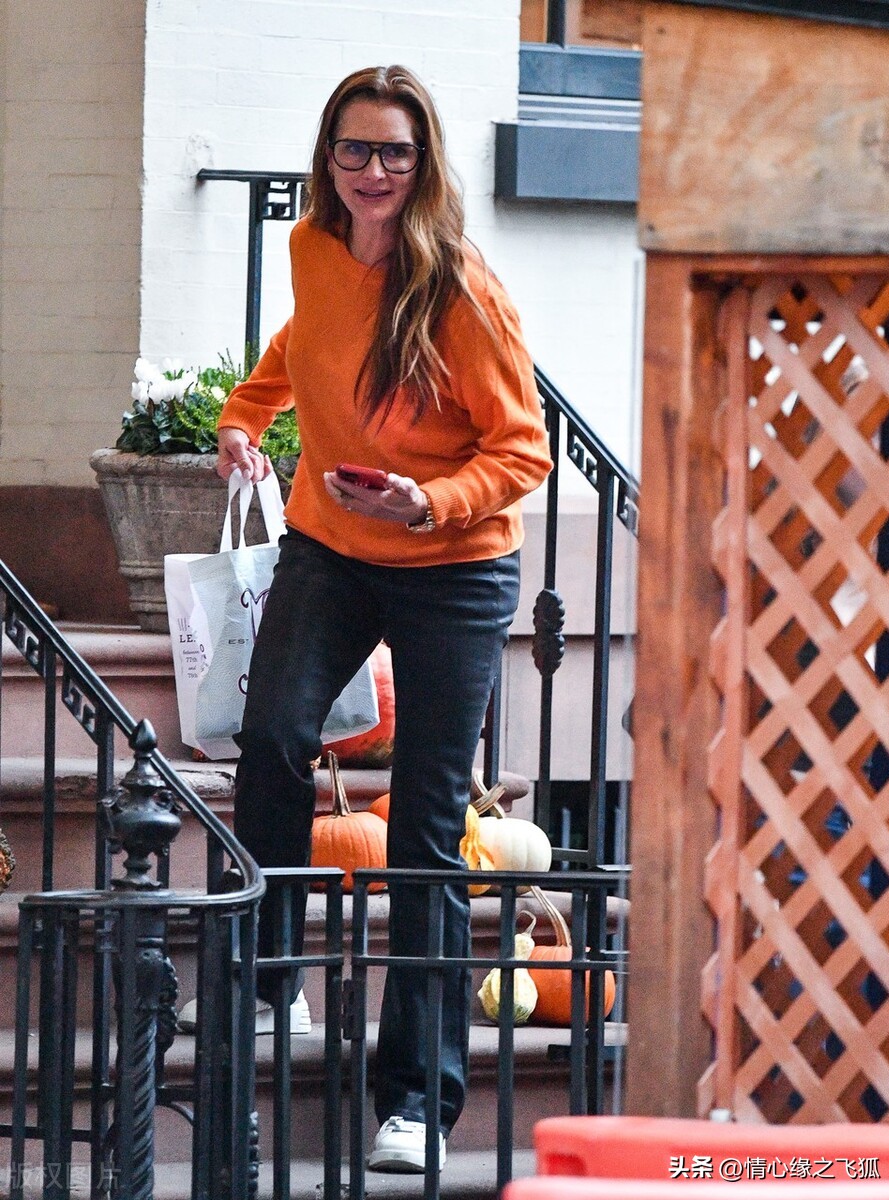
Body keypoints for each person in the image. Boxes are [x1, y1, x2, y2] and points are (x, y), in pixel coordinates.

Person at [216, 64, 553, 1173]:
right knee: (268, 735)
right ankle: (272, 983)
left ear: (423, 164)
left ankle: (414, 1099)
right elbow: (296, 346)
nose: (371, 172)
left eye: (394, 154)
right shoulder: (316, 251)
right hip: (328, 543)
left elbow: (524, 452)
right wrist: (245, 414)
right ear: (328, 159)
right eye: (354, 151)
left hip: (453, 568)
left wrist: (430, 499)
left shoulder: (458, 289)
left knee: (421, 829)